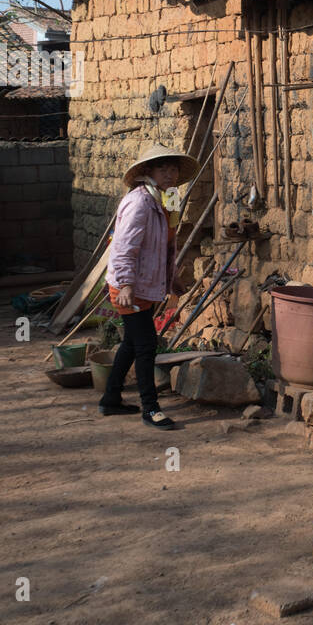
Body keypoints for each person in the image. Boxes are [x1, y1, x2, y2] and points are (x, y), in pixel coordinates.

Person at [98, 143, 198, 430]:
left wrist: (172, 276)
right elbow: (123, 248)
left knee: (131, 343)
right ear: (148, 171)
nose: (169, 173)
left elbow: (167, 243)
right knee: (145, 345)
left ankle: (110, 399)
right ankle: (150, 408)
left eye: (173, 168)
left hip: (148, 283)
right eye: (162, 168)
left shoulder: (170, 199)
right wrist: (127, 284)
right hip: (129, 286)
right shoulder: (140, 202)